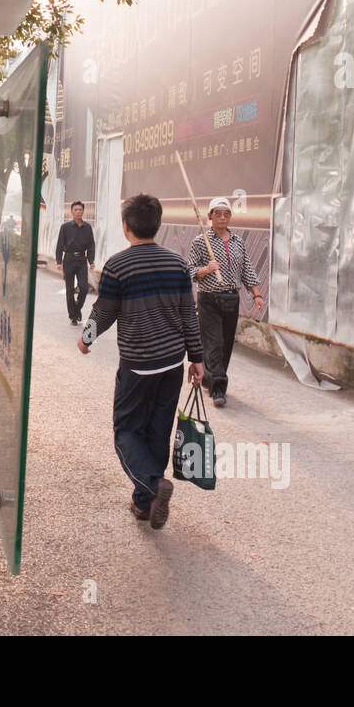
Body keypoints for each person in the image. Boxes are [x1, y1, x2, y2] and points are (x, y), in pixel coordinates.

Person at [77, 194, 204, 529]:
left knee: (127, 431)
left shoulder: (118, 266)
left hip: (138, 365)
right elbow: (188, 316)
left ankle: (152, 484)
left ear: (125, 226)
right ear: (157, 224)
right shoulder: (177, 264)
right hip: (172, 364)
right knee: (158, 431)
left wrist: (86, 337)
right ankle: (144, 503)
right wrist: (198, 358)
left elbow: (104, 311)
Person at [187, 196, 264, 408]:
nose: (222, 217)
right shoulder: (201, 241)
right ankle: (218, 388)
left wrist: (256, 294)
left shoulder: (237, 241)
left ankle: (212, 376)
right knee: (214, 342)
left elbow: (247, 269)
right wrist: (206, 269)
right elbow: (190, 270)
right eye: (218, 213)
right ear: (209, 216)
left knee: (227, 343)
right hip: (209, 298)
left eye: (226, 213)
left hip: (231, 297)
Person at [55, 200, 94, 325]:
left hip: (82, 260)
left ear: (83, 211)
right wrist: (59, 261)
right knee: (70, 290)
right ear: (72, 211)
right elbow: (60, 245)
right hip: (69, 260)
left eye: (80, 210)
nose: (78, 212)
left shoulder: (87, 227)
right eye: (76, 210)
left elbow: (91, 245)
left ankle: (77, 309)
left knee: (84, 288)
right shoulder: (65, 227)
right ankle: (73, 316)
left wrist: (91, 260)